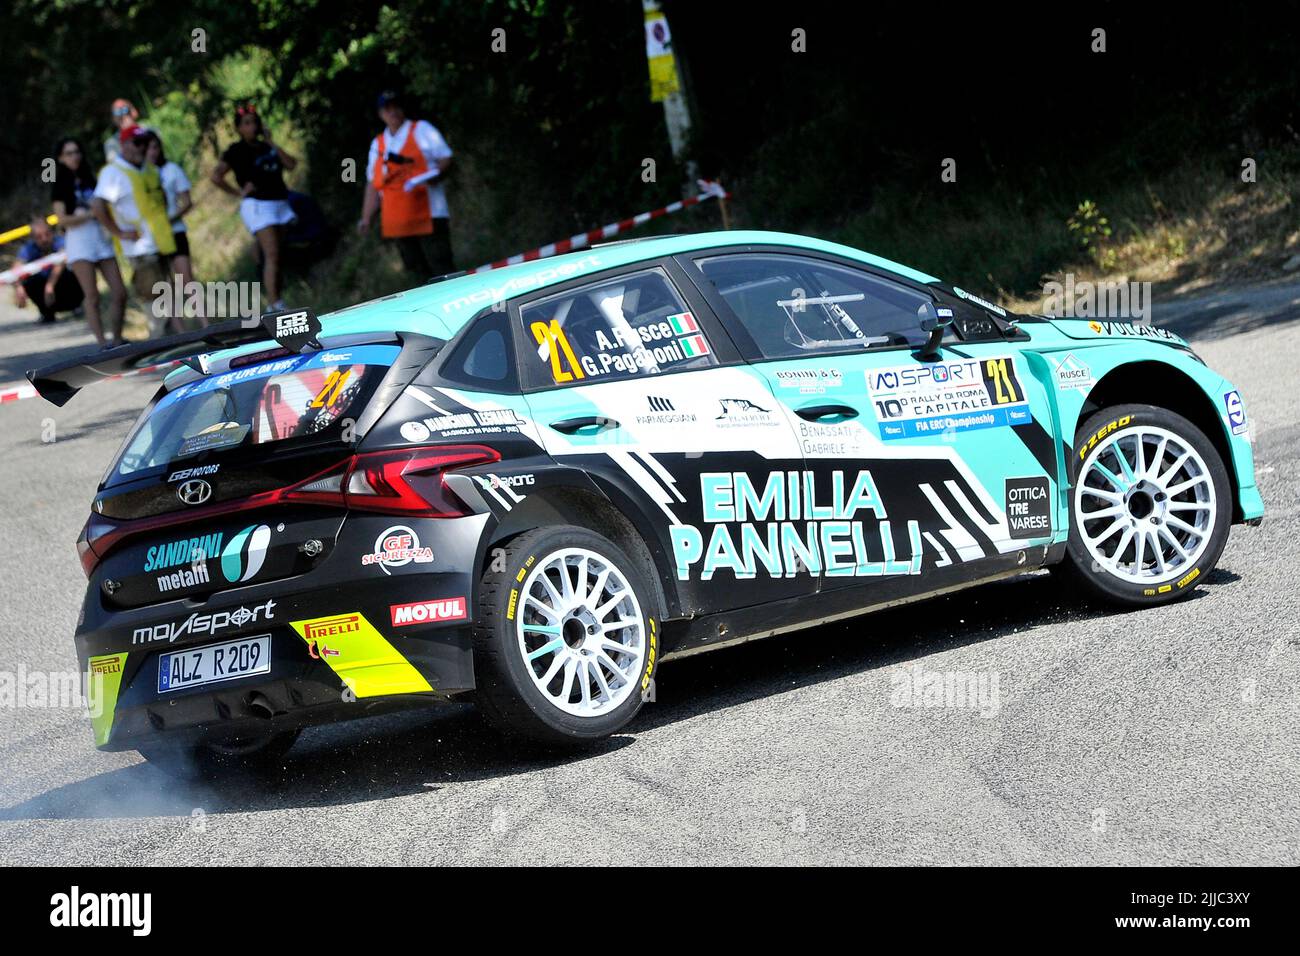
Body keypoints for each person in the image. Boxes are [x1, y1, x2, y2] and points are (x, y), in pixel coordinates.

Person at [358, 90, 455, 280]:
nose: (392, 112)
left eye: (396, 107)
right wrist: (366, 218)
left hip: (430, 216)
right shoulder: (377, 144)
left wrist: (437, 174)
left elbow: (445, 158)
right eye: (387, 108)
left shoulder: (421, 129)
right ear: (380, 114)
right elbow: (373, 184)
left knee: (442, 269)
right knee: (418, 276)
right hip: (399, 223)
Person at [92, 124, 177, 339]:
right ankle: (161, 347)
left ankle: (171, 342)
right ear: (124, 145)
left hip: (160, 243)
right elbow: (98, 205)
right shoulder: (112, 173)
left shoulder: (146, 168)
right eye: (137, 143)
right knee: (154, 300)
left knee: (168, 297)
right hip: (139, 250)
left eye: (145, 143)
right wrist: (118, 232)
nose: (142, 148)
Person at [211, 103, 297, 311]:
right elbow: (216, 176)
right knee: (273, 253)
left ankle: (272, 287)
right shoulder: (235, 151)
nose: (252, 127)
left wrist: (271, 142)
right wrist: (237, 193)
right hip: (257, 205)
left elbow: (291, 164)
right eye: (247, 123)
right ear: (239, 128)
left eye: (255, 122)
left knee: (277, 254)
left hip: (279, 202)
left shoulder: (268, 147)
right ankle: (274, 304)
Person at [52, 136, 127, 347]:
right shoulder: (59, 185)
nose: (74, 156)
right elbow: (62, 220)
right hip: (79, 243)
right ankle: (102, 343)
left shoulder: (91, 179)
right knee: (91, 295)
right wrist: (88, 215)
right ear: (60, 157)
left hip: (101, 239)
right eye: (69, 153)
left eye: (76, 151)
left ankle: (118, 337)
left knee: (119, 291)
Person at [145, 131, 206, 329]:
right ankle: (180, 332)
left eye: (155, 147)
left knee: (186, 278)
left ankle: (205, 324)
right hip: (152, 237)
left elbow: (187, 202)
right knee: (165, 284)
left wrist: (170, 218)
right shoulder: (139, 175)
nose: (151, 152)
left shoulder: (171, 170)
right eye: (147, 147)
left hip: (175, 231)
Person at [12, 216, 84, 324]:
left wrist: (50, 285)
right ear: (32, 237)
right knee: (29, 281)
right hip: (44, 287)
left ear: (52, 232)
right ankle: (47, 313)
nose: (44, 239)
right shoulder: (28, 248)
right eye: (39, 237)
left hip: (63, 284)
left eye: (47, 234)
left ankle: (76, 306)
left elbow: (62, 261)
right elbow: (17, 267)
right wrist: (18, 287)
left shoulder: (60, 241)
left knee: (71, 272)